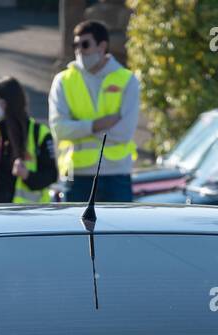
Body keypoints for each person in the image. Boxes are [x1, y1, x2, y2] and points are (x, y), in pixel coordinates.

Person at [49, 19, 139, 202]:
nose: (78, 50)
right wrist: (98, 124)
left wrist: (78, 129)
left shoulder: (127, 80)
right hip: (76, 173)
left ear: (102, 46)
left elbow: (124, 133)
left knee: (118, 230)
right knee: (74, 230)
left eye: (85, 44)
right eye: (75, 45)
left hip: (116, 172)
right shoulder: (63, 80)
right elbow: (59, 129)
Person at [0, 76, 56, 204]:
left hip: (26, 216)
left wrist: (27, 176)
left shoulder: (39, 134)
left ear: (7, 102)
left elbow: (51, 175)